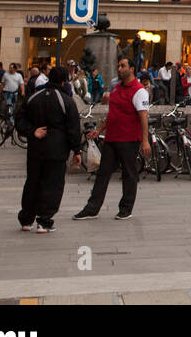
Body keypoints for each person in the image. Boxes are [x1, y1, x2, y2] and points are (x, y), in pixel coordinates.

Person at [74, 58, 151, 220]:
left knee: (129, 174)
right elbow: (112, 115)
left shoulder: (139, 90)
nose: (119, 68)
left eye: (123, 66)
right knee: (103, 173)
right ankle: (92, 208)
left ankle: (126, 208)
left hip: (129, 139)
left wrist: (145, 141)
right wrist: (99, 130)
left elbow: (143, 117)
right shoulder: (116, 89)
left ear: (131, 69)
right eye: (118, 66)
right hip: (112, 138)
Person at [15, 65, 82, 233]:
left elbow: (19, 120)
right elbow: (73, 127)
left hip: (36, 148)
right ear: (63, 81)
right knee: (53, 184)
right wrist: (77, 150)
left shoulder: (33, 97)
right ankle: (44, 220)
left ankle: (26, 219)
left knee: (33, 182)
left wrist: (32, 131)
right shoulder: (66, 100)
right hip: (57, 149)